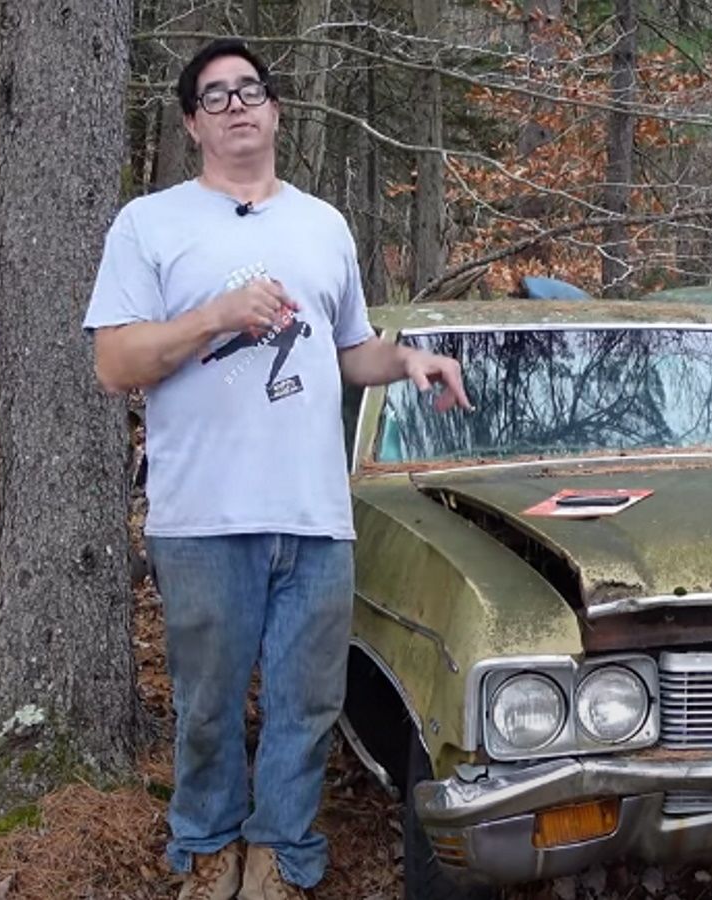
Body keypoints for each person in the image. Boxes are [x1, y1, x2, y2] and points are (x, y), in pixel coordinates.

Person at [83, 38, 470, 900]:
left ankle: (282, 856)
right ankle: (206, 845)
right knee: (208, 706)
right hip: (201, 516)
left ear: (276, 110)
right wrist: (216, 315)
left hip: (315, 515)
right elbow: (115, 363)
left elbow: (349, 350)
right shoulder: (150, 223)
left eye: (250, 90)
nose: (237, 106)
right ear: (192, 124)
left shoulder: (323, 225)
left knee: (307, 704)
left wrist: (408, 360)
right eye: (215, 96)